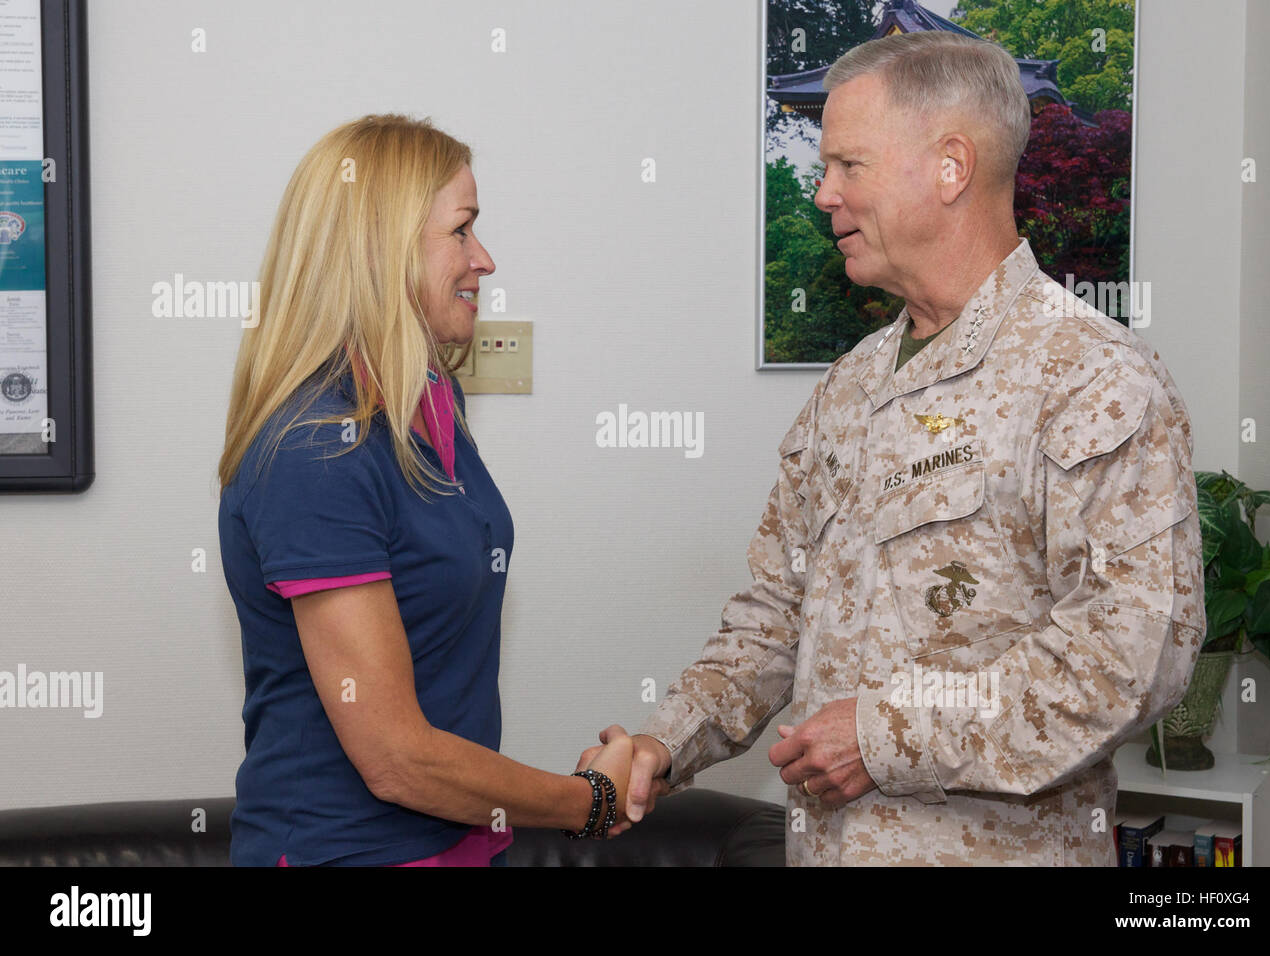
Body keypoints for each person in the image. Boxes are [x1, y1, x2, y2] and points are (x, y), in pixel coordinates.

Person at [590, 31, 1205, 865]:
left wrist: (885, 738)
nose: (822, 193)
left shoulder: (1094, 379)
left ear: (951, 167)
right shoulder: (849, 386)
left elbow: (1128, 662)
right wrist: (666, 744)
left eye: (849, 166)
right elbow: (777, 613)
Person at [217, 114, 632, 866]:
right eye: (462, 232)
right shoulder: (315, 450)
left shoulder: (429, 405)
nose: (486, 260)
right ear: (380, 250)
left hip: (460, 844)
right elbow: (396, 759)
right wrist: (587, 803)